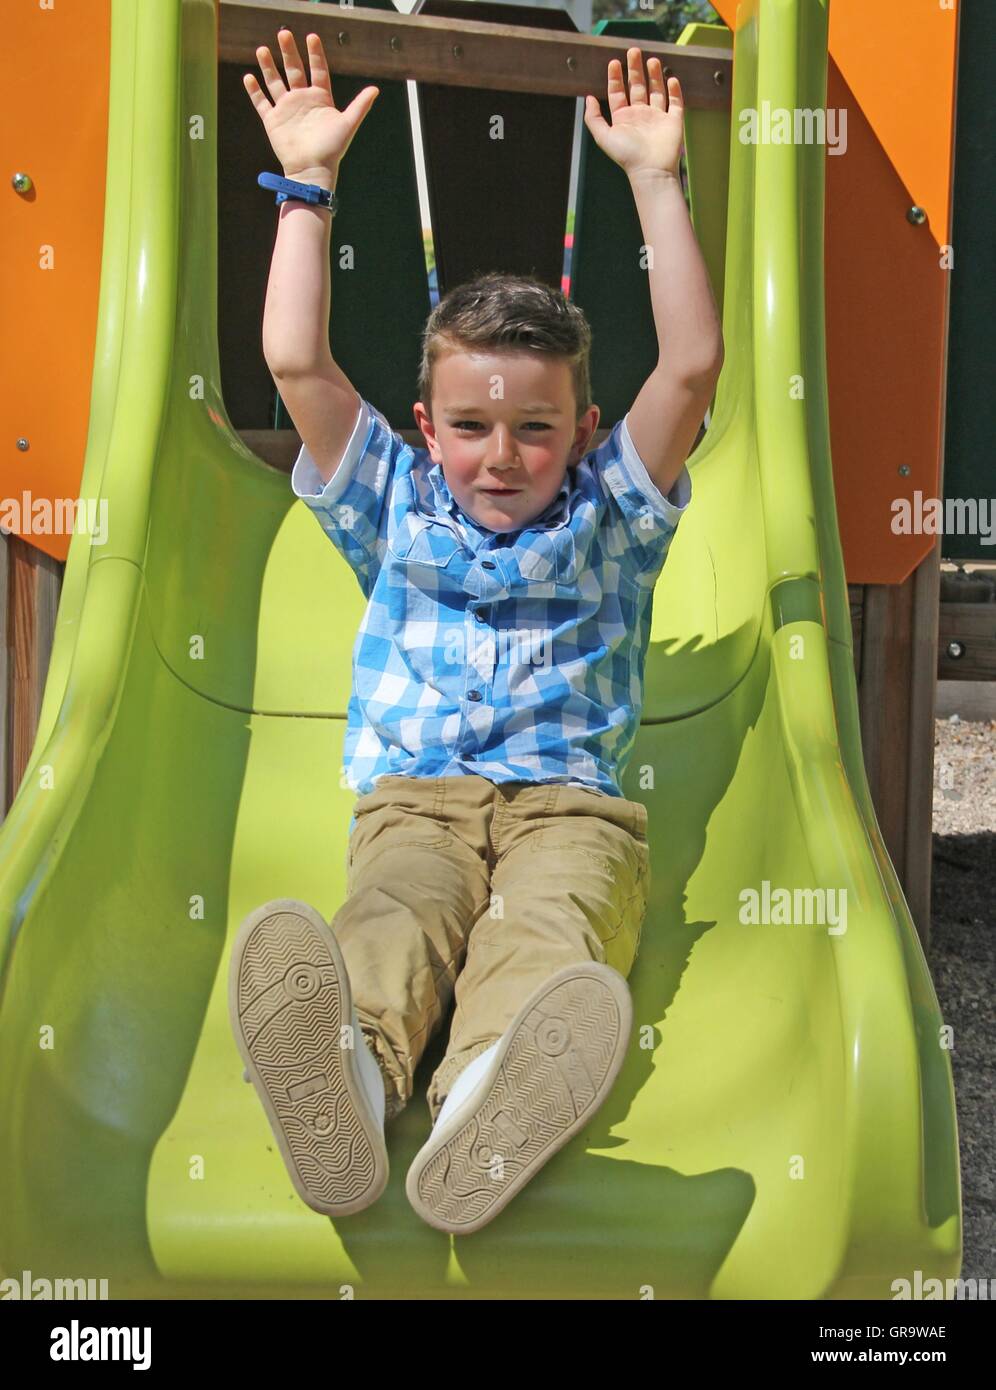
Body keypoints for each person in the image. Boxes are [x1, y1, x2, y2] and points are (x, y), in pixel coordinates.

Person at [229, 29, 724, 1236]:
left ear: (584, 424)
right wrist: (306, 184)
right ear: (424, 423)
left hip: (569, 806)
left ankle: (485, 1103)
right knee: (394, 913)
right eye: (470, 425)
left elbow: (694, 365)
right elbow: (294, 356)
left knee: (549, 926)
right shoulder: (393, 499)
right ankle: (344, 1070)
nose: (502, 455)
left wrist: (656, 178)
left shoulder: (611, 512)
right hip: (419, 799)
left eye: (537, 430)